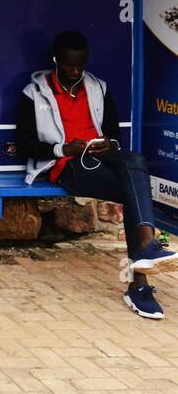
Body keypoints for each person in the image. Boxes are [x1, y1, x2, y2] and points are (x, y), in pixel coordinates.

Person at [16, 30, 177, 319]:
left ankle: (146, 249)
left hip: (100, 156)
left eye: (80, 65)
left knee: (135, 160)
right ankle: (139, 280)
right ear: (56, 60)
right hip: (66, 163)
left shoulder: (97, 87)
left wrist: (109, 143)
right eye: (69, 65)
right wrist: (63, 148)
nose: (75, 72)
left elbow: (113, 134)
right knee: (133, 191)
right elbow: (24, 145)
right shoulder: (34, 93)